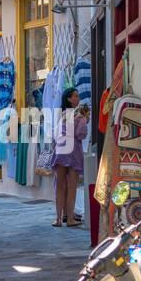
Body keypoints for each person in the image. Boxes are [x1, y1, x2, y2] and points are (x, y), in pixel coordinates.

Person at [53, 87, 88, 227]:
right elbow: (81, 134)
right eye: (75, 96)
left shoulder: (61, 115)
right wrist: (86, 120)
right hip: (73, 152)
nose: (78, 98)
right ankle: (71, 218)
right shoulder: (79, 116)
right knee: (72, 186)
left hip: (61, 150)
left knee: (60, 186)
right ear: (69, 99)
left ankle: (58, 218)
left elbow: (55, 134)